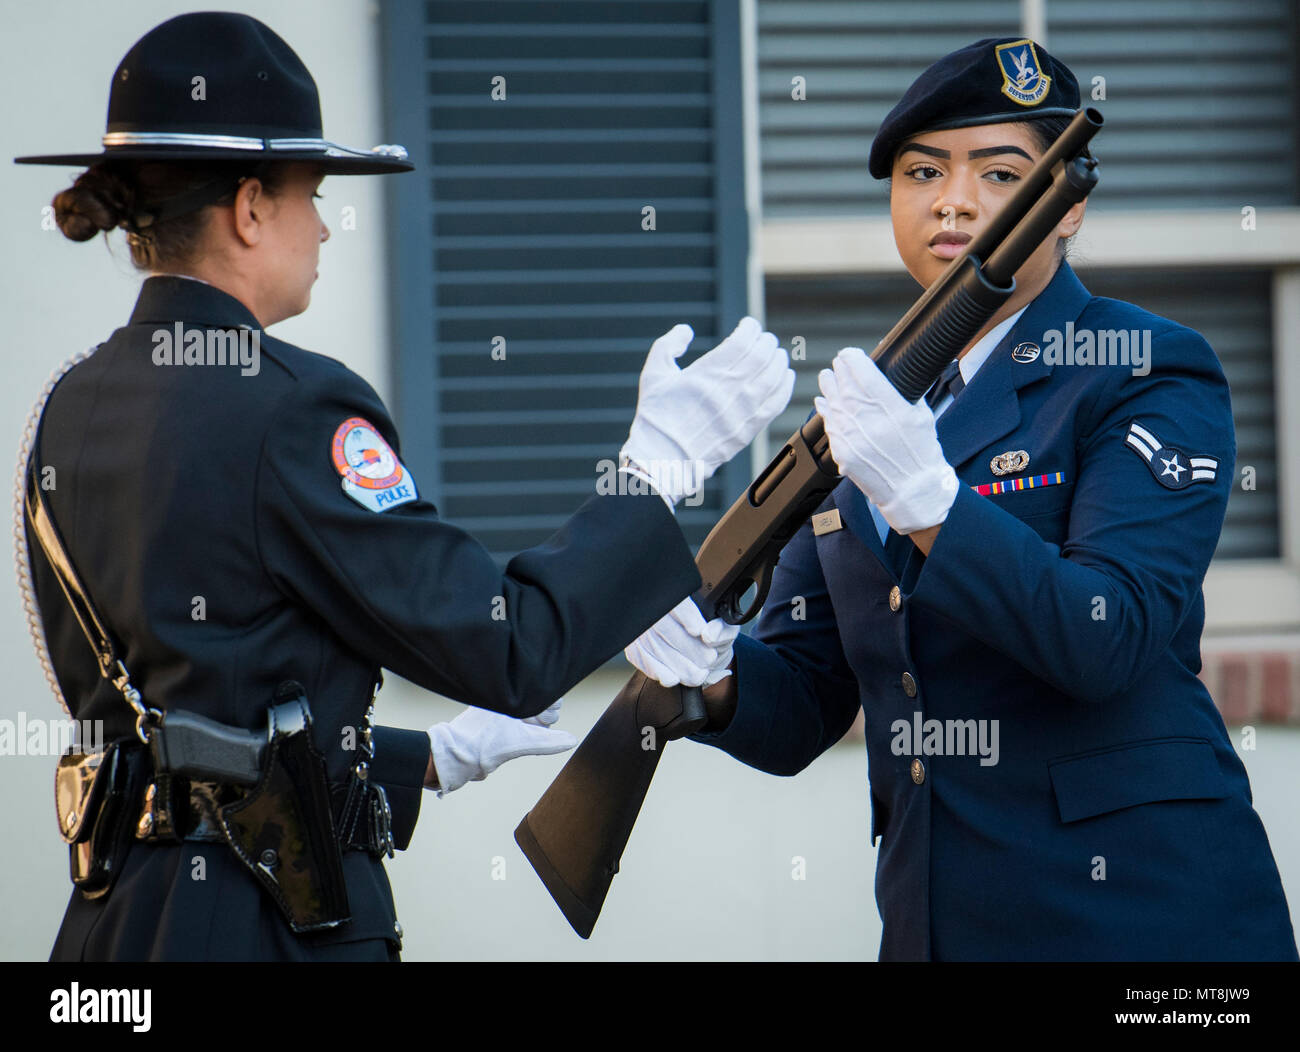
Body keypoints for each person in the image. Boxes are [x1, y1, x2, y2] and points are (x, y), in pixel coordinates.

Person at [13, 12, 793, 962]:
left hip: (113, 933)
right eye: (313, 194)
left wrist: (434, 759)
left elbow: (187, 723)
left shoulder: (66, 406)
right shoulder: (293, 410)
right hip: (269, 925)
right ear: (250, 206)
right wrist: (656, 472)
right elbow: (515, 647)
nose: (325, 228)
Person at [624, 37, 1299, 961]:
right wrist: (711, 675)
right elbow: (806, 705)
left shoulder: (1142, 367)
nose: (952, 198)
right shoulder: (870, 410)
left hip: (1143, 919)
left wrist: (932, 503)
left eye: (1000, 172)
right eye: (923, 170)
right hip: (936, 920)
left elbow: (1105, 638)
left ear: (1069, 208)